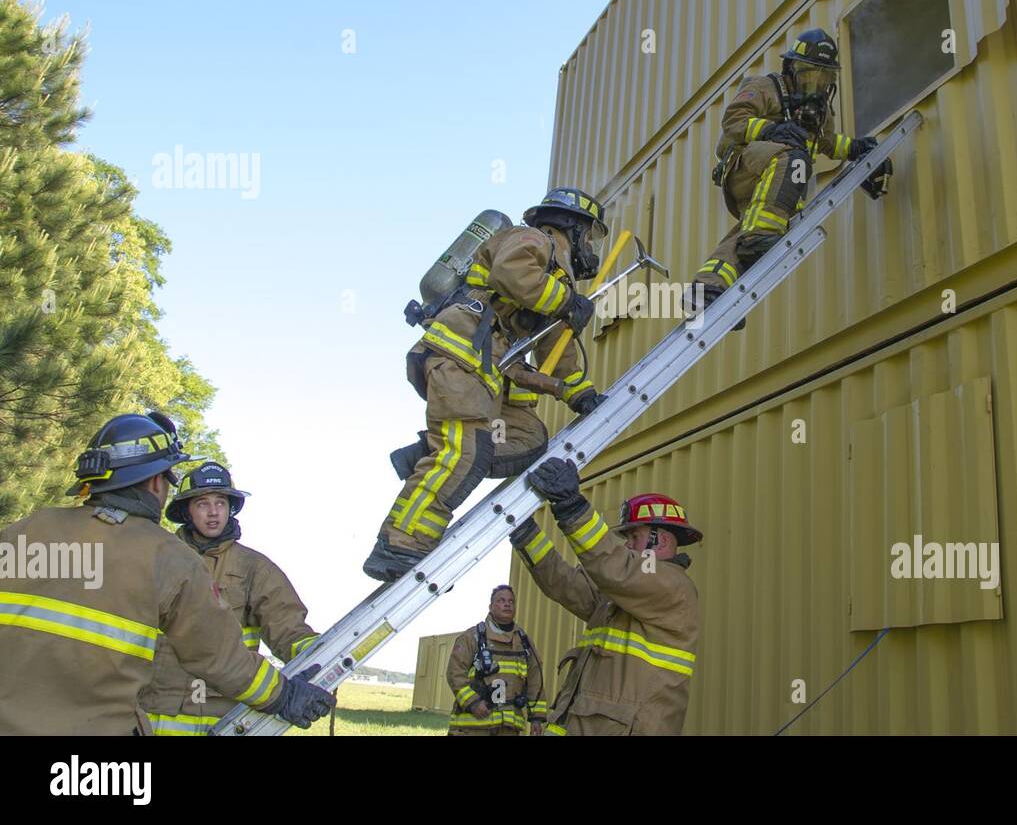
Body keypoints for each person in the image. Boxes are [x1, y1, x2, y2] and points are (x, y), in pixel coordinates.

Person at [0, 412, 334, 734]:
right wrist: (283, 695)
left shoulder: (22, 533)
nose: (213, 512)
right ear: (157, 482)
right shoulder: (165, 556)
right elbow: (218, 654)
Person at [365, 188, 610, 582]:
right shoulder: (535, 239)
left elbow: (556, 350)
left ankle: (431, 451)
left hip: (487, 369)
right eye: (592, 234)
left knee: (528, 437)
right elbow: (511, 272)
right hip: (461, 352)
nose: (592, 246)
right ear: (573, 226)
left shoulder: (555, 276)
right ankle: (400, 542)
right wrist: (564, 301)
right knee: (463, 453)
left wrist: (580, 393)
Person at [685, 27, 892, 324]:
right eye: (808, 74)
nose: (814, 85)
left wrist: (858, 147)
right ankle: (762, 236)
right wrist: (770, 129)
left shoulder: (820, 112)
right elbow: (734, 121)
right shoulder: (765, 87)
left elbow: (828, 143)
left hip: (777, 183)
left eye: (823, 78)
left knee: (743, 236)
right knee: (791, 162)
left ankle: (706, 289)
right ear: (790, 68)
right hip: (744, 167)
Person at [510, 457, 701, 735]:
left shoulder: (674, 587)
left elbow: (614, 566)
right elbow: (565, 585)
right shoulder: (626, 595)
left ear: (659, 540)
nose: (627, 544)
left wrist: (571, 507)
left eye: (634, 536)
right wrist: (527, 535)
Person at [138, 460, 320, 735]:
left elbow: (289, 630)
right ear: (187, 511)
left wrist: (321, 658)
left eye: (221, 503)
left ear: (230, 508)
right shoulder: (158, 557)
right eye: (202, 504)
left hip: (220, 720)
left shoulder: (255, 568)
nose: (213, 512)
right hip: (151, 713)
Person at [445, 585, 546, 735]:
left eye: (511, 601)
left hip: (508, 729)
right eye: (501, 600)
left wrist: (536, 718)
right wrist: (472, 703)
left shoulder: (524, 642)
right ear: (491, 606)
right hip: (473, 728)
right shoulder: (472, 637)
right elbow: (455, 673)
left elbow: (535, 681)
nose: (507, 604)